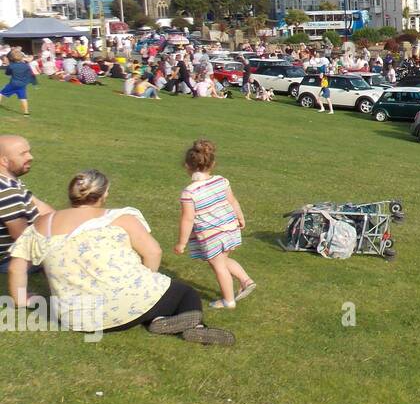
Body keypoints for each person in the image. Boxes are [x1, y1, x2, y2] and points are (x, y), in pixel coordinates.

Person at [7, 169, 233, 344]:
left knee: (149, 301)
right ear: (104, 194)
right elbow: (153, 252)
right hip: (129, 305)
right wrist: (146, 282)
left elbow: (16, 268)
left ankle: (159, 320)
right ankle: (190, 326)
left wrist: (21, 299)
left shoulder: (41, 225)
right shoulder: (120, 217)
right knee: (185, 293)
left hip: (79, 318)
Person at [175, 140, 253, 310]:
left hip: (212, 236)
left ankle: (228, 300)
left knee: (219, 266)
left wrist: (182, 243)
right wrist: (240, 218)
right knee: (223, 260)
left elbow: (187, 219)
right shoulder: (221, 181)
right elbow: (232, 201)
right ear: (213, 164)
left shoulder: (189, 192)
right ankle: (246, 280)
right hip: (230, 229)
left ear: (187, 166)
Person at [0, 136, 52, 271]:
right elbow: (21, 236)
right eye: (23, 154)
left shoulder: (9, 181)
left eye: (29, 151)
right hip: (11, 257)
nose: (31, 157)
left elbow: (38, 205)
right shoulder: (7, 191)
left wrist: (66, 223)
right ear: (4, 161)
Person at [1, 48, 36, 116]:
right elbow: (29, 74)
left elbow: (7, 73)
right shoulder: (26, 66)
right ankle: (26, 112)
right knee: (23, 98)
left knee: (1, 93)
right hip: (22, 85)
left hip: (13, 83)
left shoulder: (11, 66)